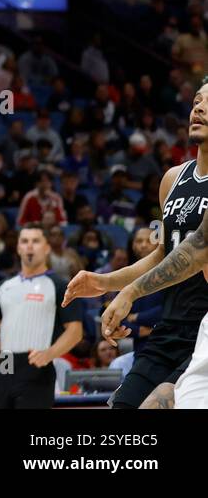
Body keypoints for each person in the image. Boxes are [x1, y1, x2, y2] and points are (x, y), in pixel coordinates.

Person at [97, 77, 208, 409]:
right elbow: (165, 252)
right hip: (169, 326)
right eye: (196, 101)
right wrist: (104, 281)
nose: (199, 108)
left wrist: (131, 292)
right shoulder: (173, 179)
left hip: (204, 329)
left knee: (157, 406)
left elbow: (197, 250)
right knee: (119, 407)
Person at [0, 224, 84, 408]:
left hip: (37, 366)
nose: (29, 246)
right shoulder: (3, 287)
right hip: (5, 365)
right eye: (25, 241)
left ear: (46, 248)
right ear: (18, 248)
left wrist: (49, 354)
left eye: (36, 241)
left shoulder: (60, 286)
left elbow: (75, 331)